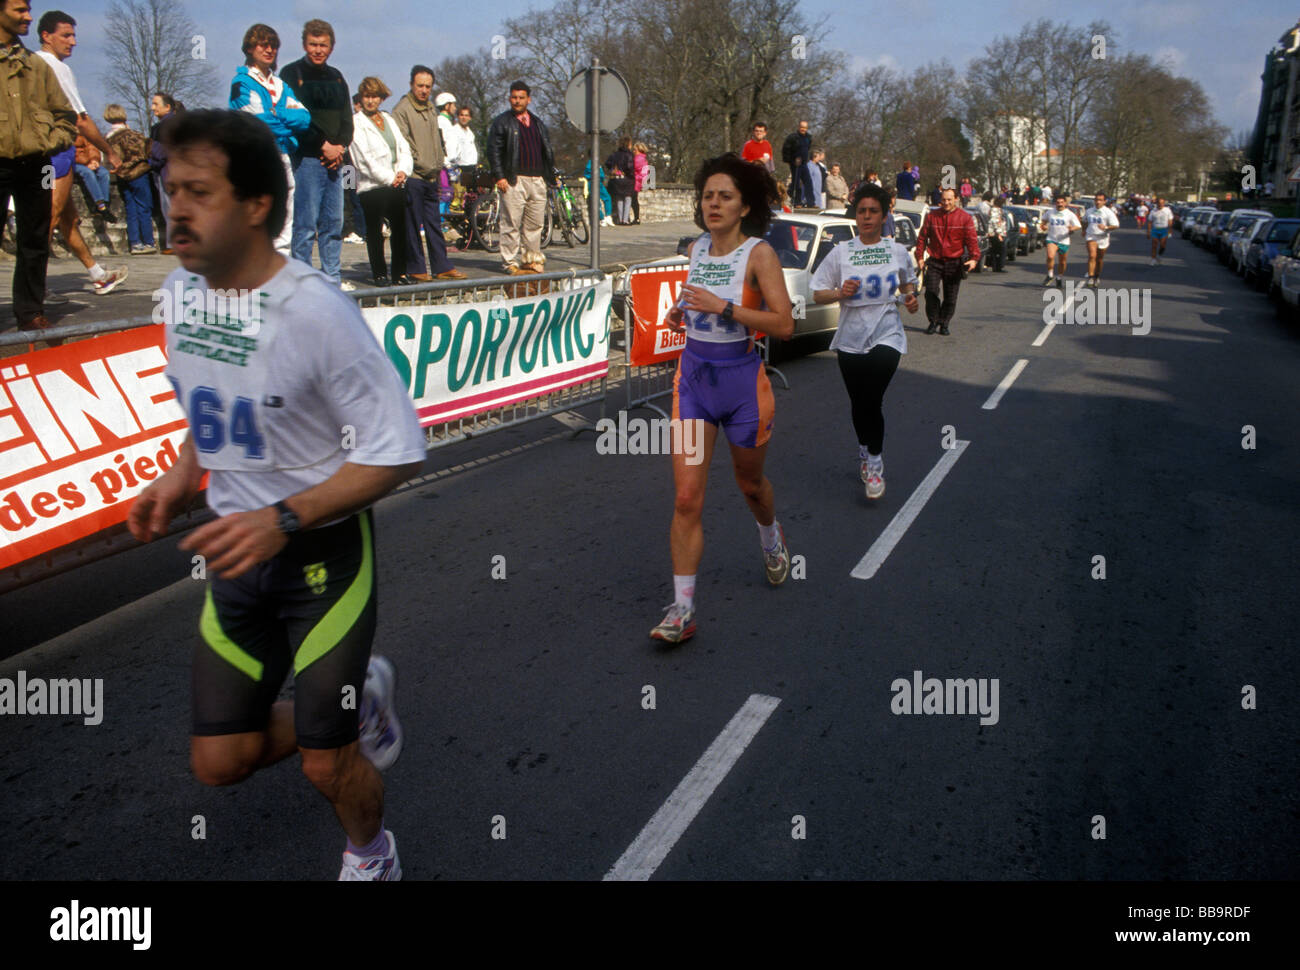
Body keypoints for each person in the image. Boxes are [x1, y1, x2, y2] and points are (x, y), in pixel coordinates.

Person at [127, 108, 427, 881]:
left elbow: (399, 451)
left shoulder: (317, 312)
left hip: (321, 555)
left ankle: (372, 857)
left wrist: (284, 516)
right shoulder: (182, 295)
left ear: (256, 204)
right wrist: (182, 472)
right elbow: (209, 408)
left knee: (327, 767)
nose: (176, 207)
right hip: (235, 557)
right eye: (170, 187)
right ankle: (355, 708)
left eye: (198, 191)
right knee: (218, 762)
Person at [648, 153, 794, 644]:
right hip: (693, 384)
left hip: (742, 387)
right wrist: (680, 313)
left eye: (724, 196)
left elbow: (785, 325)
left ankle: (770, 533)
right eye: (707, 195)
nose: (713, 203)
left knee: (749, 485)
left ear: (744, 205)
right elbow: (699, 303)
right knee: (687, 497)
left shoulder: (759, 254)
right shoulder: (695, 249)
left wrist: (726, 308)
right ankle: (682, 610)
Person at [811, 181, 918, 501]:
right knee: (859, 404)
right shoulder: (841, 253)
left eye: (874, 211)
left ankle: (874, 463)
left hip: (887, 332)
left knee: (872, 398)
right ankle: (864, 449)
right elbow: (818, 292)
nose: (867, 217)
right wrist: (838, 293)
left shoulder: (898, 252)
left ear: (885, 215)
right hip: (850, 337)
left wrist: (911, 301)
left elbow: (907, 288)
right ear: (855, 216)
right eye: (862, 211)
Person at [0, 0, 77, 343]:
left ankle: (31, 313)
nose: (28, 16)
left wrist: (51, 141)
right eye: (20, 10)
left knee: (35, 239)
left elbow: (66, 116)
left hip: (37, 165)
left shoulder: (36, 65)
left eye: (28, 9)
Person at [36, 10, 127, 296]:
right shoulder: (55, 67)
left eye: (74, 35)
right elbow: (81, 120)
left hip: (42, 151)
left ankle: (98, 275)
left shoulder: (34, 64)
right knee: (48, 218)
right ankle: (32, 289)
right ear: (46, 36)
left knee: (67, 218)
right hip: (55, 152)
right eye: (66, 35)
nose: (73, 42)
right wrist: (109, 151)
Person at [280, 18, 354, 290]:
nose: (318, 50)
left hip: (337, 161)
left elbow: (348, 119)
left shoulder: (337, 76)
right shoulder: (291, 73)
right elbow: (294, 119)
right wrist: (322, 145)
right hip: (309, 159)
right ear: (304, 44)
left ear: (331, 47)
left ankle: (331, 280)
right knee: (305, 224)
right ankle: (302, 282)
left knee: (334, 224)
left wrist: (340, 148)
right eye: (313, 44)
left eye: (323, 45)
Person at [229, 23, 311, 255]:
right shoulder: (242, 82)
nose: (269, 50)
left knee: (285, 212)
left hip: (282, 155)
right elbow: (257, 122)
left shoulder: (280, 84)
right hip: (254, 157)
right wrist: (287, 125)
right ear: (249, 49)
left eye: (273, 45)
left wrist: (277, 115)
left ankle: (280, 264)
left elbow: (304, 118)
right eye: (263, 45)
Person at [392, 65, 466, 282]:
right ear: (411, 85)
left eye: (428, 86)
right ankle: (416, 267)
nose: (424, 90)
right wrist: (417, 163)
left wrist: (438, 161)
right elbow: (402, 143)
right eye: (420, 86)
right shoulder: (402, 110)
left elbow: (437, 140)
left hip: (432, 176)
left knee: (435, 223)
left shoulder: (432, 109)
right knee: (413, 225)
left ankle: (441, 265)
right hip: (414, 176)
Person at [486, 80, 556, 274]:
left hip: (537, 179)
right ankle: (509, 262)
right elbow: (493, 151)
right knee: (511, 223)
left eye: (521, 98)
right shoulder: (502, 122)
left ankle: (530, 259)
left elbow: (547, 150)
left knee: (535, 225)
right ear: (509, 98)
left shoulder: (537, 123)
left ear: (528, 99)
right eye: (514, 97)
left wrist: (549, 175)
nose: (517, 101)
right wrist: (500, 176)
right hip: (514, 180)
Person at [349, 77, 412, 286]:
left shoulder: (388, 119)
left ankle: (400, 273)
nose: (370, 101)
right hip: (372, 186)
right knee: (375, 232)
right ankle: (379, 273)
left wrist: (403, 171)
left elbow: (402, 147)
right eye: (366, 96)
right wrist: (388, 178)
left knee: (400, 229)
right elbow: (363, 159)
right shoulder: (356, 122)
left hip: (396, 183)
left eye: (374, 96)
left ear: (381, 98)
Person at [914, 187, 979, 336]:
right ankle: (933, 320)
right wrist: (920, 257)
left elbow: (972, 241)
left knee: (950, 296)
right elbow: (922, 238)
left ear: (956, 199)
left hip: (954, 262)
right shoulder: (932, 216)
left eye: (949, 199)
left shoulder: (965, 218)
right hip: (935, 260)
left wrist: (974, 259)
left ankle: (944, 323)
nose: (946, 202)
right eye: (943, 200)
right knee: (930, 292)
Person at [103, 103, 156, 254]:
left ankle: (135, 243)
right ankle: (148, 242)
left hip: (122, 175)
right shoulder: (133, 134)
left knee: (131, 208)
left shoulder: (108, 138)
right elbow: (147, 149)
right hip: (139, 173)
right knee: (144, 207)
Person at [148, 92, 178, 252]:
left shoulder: (165, 126)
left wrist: (150, 162)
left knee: (170, 207)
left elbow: (160, 152)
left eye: (156, 104)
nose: (153, 108)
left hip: (168, 171)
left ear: (167, 107)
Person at [1039, 194, 1081, 287]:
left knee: (1062, 261)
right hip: (1052, 238)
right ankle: (1050, 275)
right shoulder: (1050, 212)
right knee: (1050, 256)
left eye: (1062, 202)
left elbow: (1078, 225)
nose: (1060, 204)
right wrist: (1043, 226)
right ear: (1055, 203)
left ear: (1065, 203)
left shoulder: (1069, 214)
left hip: (1064, 240)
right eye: (1058, 202)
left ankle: (1059, 277)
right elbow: (1043, 221)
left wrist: (1072, 228)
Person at [1082, 191, 1119, 286]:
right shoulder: (1089, 211)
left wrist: (1106, 228)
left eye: (1100, 200)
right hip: (1091, 235)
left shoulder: (1108, 212)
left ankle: (1097, 276)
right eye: (1096, 200)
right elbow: (1084, 221)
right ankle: (1090, 277)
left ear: (1104, 201)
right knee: (1092, 255)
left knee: (1099, 259)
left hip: (1103, 237)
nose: (1098, 202)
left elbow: (1115, 225)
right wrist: (1084, 230)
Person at [73, 135, 110, 215]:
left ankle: (105, 205)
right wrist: (86, 163)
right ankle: (100, 204)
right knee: (88, 173)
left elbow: (91, 147)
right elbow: (70, 152)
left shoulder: (83, 131)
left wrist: (94, 160)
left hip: (87, 161)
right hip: (73, 163)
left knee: (104, 173)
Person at [781, 120, 812, 206]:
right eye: (802, 127)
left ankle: (811, 202)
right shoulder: (792, 137)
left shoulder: (808, 137)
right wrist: (790, 161)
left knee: (808, 181)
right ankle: (796, 201)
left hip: (804, 163)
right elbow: (785, 149)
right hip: (795, 163)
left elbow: (808, 148)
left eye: (805, 127)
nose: (803, 129)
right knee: (796, 183)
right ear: (799, 127)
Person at [605, 136, 635, 226]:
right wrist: (632, 174)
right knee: (628, 198)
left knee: (619, 199)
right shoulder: (629, 155)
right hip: (627, 179)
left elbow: (608, 163)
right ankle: (625, 220)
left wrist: (613, 169)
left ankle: (620, 218)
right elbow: (630, 167)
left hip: (616, 180)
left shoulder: (615, 154)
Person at [1147, 196, 1173, 265]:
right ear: (1157, 203)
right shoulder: (1153, 211)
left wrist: (1170, 230)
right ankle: (1153, 259)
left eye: (1162, 203)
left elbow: (1170, 220)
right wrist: (1148, 231)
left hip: (1164, 229)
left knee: (1163, 246)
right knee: (1154, 245)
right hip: (1155, 229)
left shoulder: (1167, 210)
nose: (1161, 204)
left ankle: (1159, 255)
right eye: (1159, 203)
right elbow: (1149, 221)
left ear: (1164, 203)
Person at [987, 195, 1009, 272]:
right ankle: (999, 266)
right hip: (996, 234)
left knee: (995, 250)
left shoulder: (994, 210)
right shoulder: (996, 210)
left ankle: (996, 266)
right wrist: (999, 234)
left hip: (995, 233)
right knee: (1001, 250)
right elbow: (995, 222)